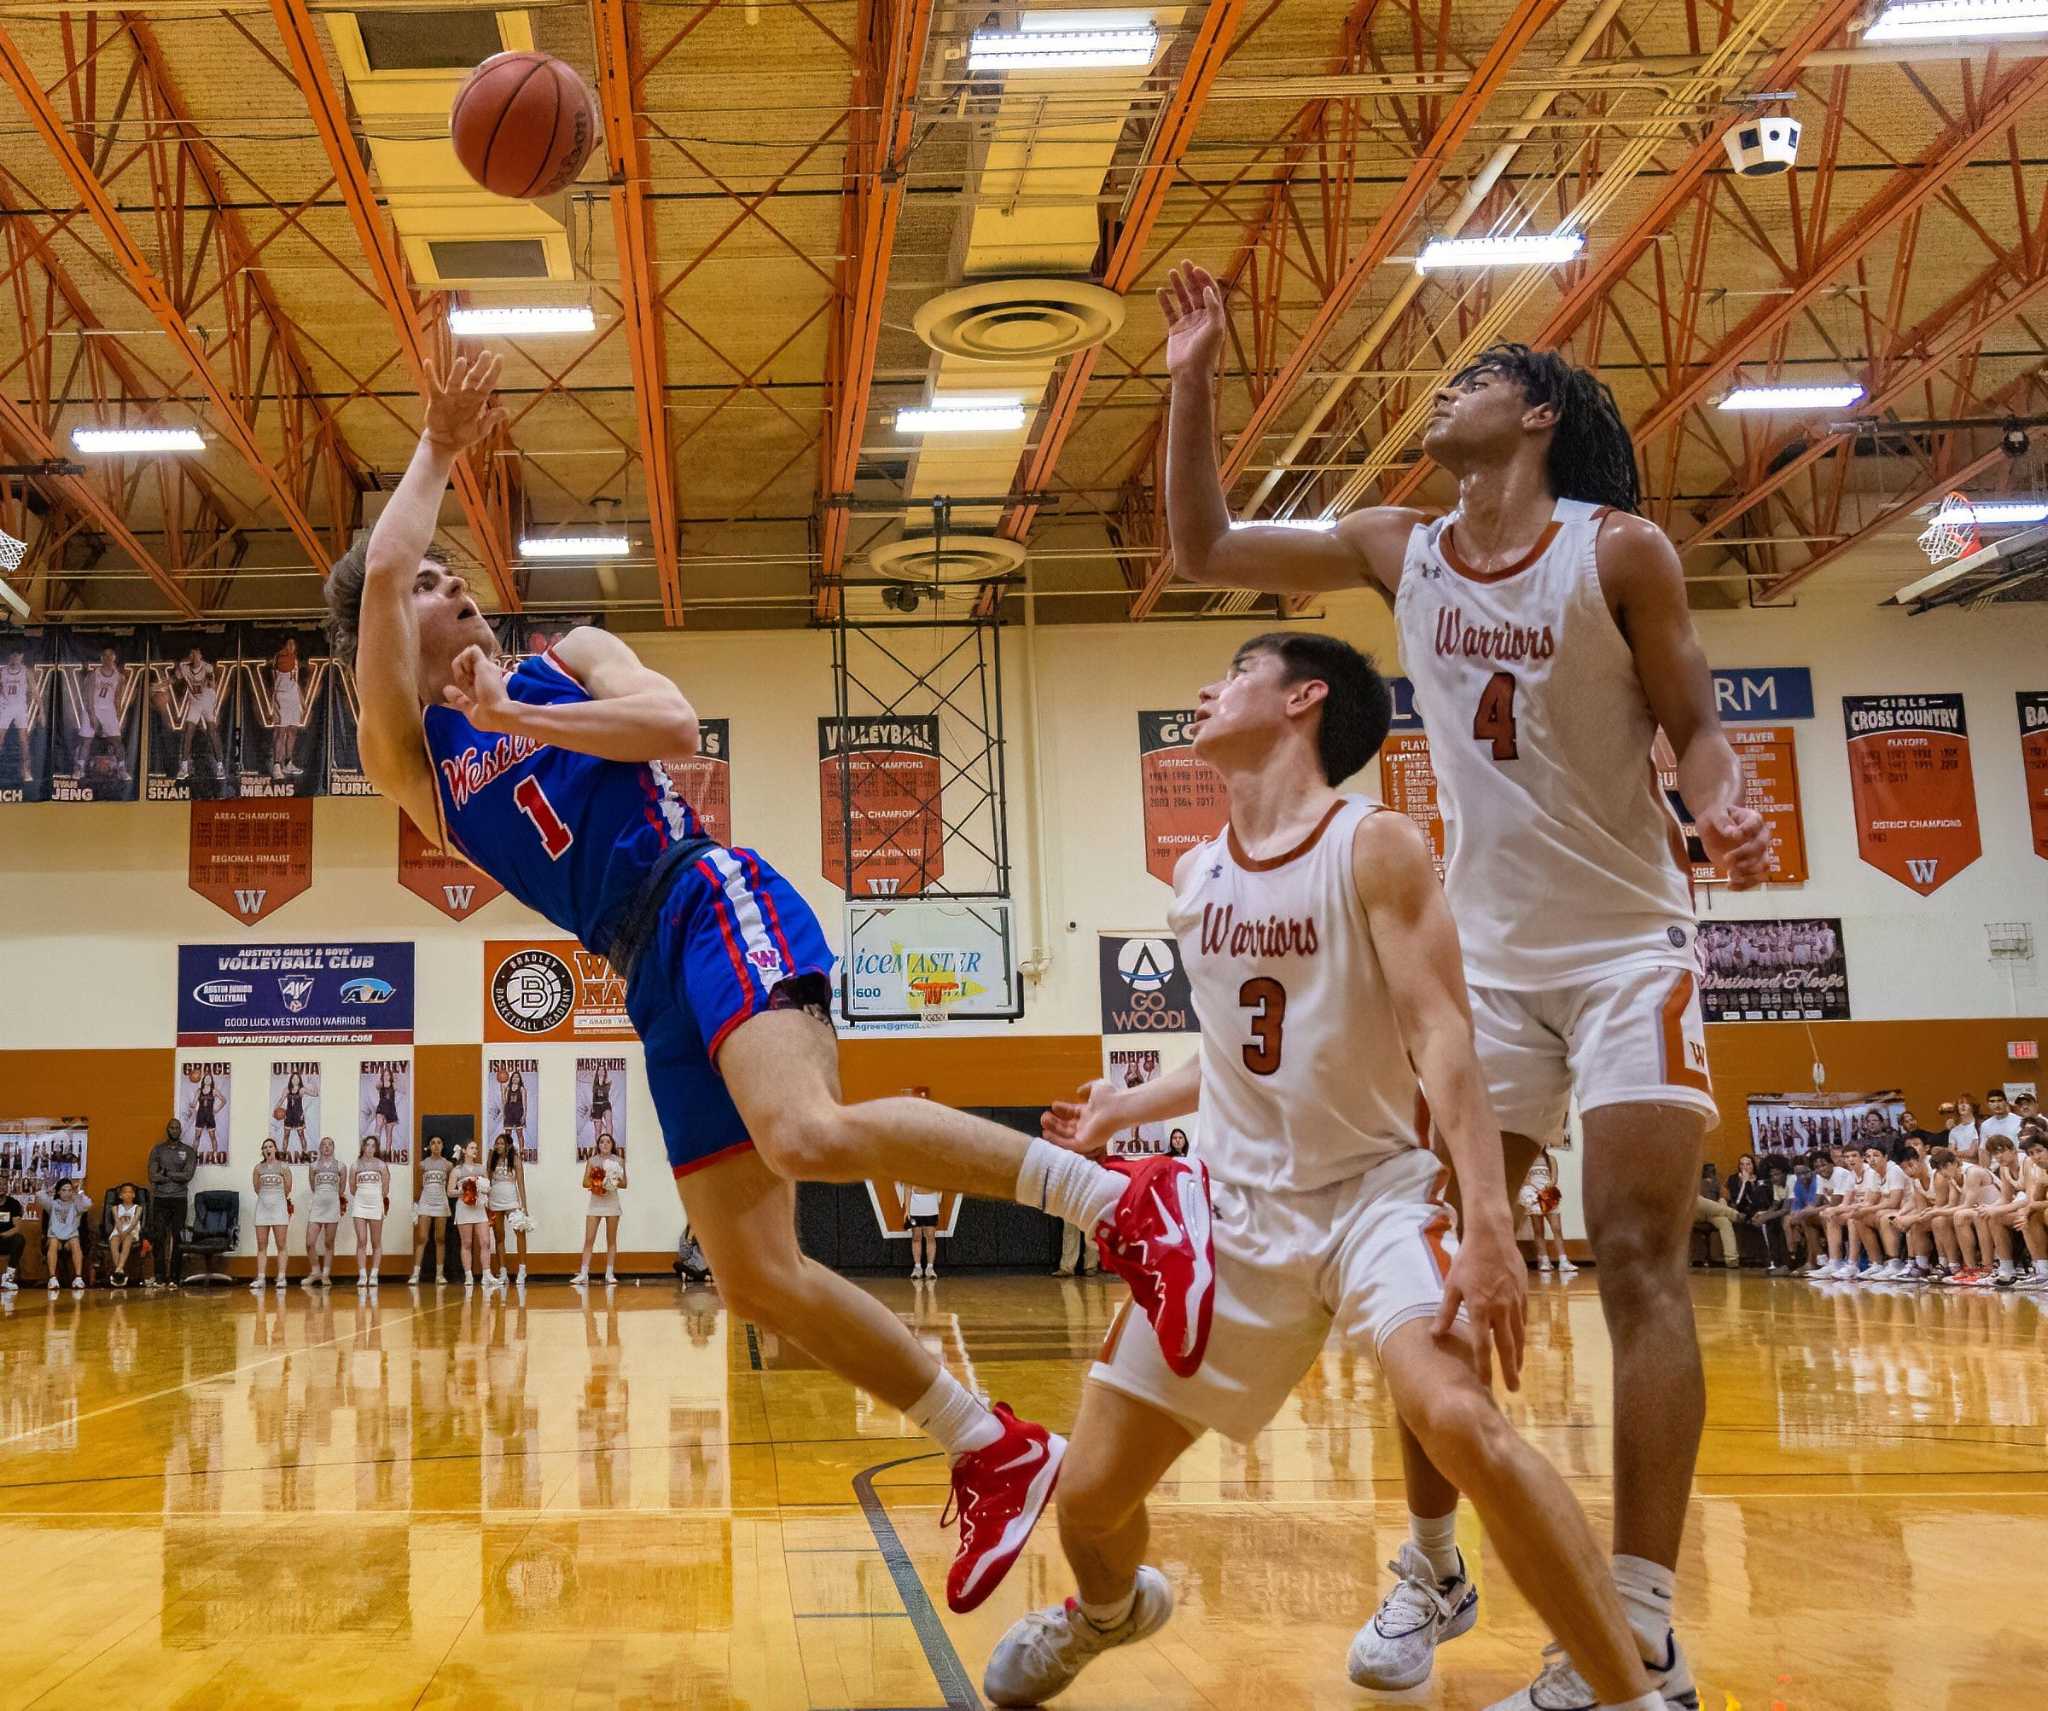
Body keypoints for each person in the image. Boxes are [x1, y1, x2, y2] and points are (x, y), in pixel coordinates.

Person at [325, 351, 1216, 1612]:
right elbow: (370, 578)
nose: (446, 578)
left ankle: (1120, 1198)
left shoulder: (561, 655)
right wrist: (426, 459)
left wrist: (527, 712)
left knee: (804, 1132)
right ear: (377, 637)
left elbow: (675, 730)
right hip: (641, 970)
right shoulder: (409, 757)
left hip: (705, 894)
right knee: (752, 1277)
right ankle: (993, 1446)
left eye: (448, 566)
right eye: (424, 582)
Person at [1160, 260, 1769, 1706]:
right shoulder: (1398, 542)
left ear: (1541, 413)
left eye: (1475, 376)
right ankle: (1431, 1563)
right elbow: (1202, 545)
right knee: (1429, 1264)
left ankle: (1638, 1626)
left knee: (1638, 1257)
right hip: (1480, 969)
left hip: (1627, 945)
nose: (1445, 392)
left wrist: (1723, 799)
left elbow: (1698, 723)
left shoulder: (1619, 551)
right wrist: (1192, 373)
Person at [986, 634, 1670, 1711]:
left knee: (1458, 1417)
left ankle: (1633, 1694)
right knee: (1088, 1499)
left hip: (1370, 1199)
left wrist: (1487, 1218)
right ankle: (1107, 1612)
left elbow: (1443, 1033)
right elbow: (1235, 1051)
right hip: (1230, 1219)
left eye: (1236, 672)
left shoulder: (1375, 845)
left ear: (1301, 699)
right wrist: (1128, 1101)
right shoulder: (1197, 872)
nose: (1207, 689)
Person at [146, 1117, 197, 1288]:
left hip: (179, 1199)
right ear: (167, 1129)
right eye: (171, 1127)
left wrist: (166, 1172)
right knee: (159, 1237)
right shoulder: (158, 1150)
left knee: (178, 1237)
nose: (174, 1130)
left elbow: (187, 1176)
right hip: (160, 1199)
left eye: (177, 1127)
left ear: (180, 1130)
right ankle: (159, 1276)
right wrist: (175, 1174)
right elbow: (153, 1176)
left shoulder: (188, 1151)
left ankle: (175, 1277)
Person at [573, 1133, 628, 1287]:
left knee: (611, 1240)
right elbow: (584, 1182)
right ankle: (583, 1274)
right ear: (598, 1144)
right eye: (602, 1142)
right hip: (595, 1204)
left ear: (612, 1144)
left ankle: (609, 1273)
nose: (605, 1144)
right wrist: (598, 1181)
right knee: (589, 1239)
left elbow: (624, 1184)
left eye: (608, 1141)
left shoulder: (619, 1161)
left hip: (612, 1204)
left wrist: (612, 1181)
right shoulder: (592, 1160)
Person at [1518, 1149, 1574, 1277]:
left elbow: (1553, 1178)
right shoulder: (1528, 1158)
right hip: (1534, 1196)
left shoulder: (1551, 1159)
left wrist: (1547, 1188)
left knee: (1557, 1228)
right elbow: (1525, 1179)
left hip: (1548, 1196)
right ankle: (1544, 1260)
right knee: (1538, 1230)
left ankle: (1563, 1261)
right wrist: (1536, 1191)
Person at [485, 1132, 529, 1289]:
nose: (498, 1146)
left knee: (520, 1232)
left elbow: (521, 1184)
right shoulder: (492, 1158)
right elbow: (487, 1180)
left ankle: (522, 1270)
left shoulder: (515, 1159)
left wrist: (524, 1206)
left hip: (511, 1200)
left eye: (501, 1143)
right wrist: (486, 1202)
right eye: (497, 1143)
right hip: (495, 1201)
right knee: (499, 1236)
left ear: (508, 1145)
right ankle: (503, 1271)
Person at [250, 1138, 293, 1291]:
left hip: (279, 1209)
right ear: (263, 1151)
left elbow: (288, 1188)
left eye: (270, 1146)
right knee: (262, 1245)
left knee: (281, 1244)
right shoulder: (258, 1168)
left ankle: (281, 1277)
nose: (268, 1149)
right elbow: (256, 1188)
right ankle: (261, 1277)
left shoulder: (284, 1167)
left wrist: (276, 1199)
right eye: (265, 1147)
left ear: (275, 1149)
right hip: (262, 1209)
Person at [410, 1133, 453, 1286]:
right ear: (429, 1146)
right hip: (425, 1203)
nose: (436, 1145)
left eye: (439, 1142)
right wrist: (415, 1207)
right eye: (433, 1142)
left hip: (441, 1203)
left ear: (442, 1146)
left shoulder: (448, 1165)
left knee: (440, 1239)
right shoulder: (423, 1164)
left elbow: (451, 1185)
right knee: (422, 1238)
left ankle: (439, 1275)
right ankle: (415, 1274)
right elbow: (418, 1187)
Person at [349, 1135, 390, 1290]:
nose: (370, 1148)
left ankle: (374, 1274)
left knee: (376, 1241)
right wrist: (363, 1195)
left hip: (376, 1204)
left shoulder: (381, 1165)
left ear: (376, 1148)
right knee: (361, 1240)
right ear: (363, 1147)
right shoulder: (355, 1165)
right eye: (368, 1145)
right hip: (360, 1204)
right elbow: (352, 1189)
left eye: (373, 1146)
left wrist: (377, 1198)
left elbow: (385, 1188)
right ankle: (362, 1275)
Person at [452, 1138, 492, 1290]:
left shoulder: (481, 1168)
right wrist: (464, 1191)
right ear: (464, 1150)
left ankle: (486, 1274)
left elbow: (488, 1188)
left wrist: (482, 1188)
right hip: (464, 1208)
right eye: (472, 1147)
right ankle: (468, 1274)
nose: (475, 1150)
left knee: (485, 1241)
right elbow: (450, 1191)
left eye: (476, 1148)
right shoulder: (457, 1170)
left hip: (479, 1208)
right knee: (467, 1243)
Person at [305, 1136, 345, 1287]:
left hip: (332, 1207)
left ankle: (326, 1275)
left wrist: (333, 1199)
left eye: (329, 1144)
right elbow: (313, 1187)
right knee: (309, 1242)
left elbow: (341, 1189)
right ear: (320, 1148)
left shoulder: (341, 1166)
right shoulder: (313, 1166)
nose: (327, 1147)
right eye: (323, 1144)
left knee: (329, 1242)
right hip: (317, 1207)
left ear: (333, 1148)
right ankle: (315, 1271)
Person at [40, 1178, 92, 1291]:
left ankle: (78, 1278)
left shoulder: (76, 1204)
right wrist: (51, 1189)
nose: (67, 1193)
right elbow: (40, 1197)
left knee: (75, 1242)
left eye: (69, 1190)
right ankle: (52, 1278)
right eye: (64, 1190)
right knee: (53, 1242)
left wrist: (79, 1193)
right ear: (58, 1191)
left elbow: (87, 1204)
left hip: (71, 1237)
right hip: (55, 1236)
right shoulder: (52, 1204)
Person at [1723, 1153, 1773, 1268]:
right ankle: (1760, 1257)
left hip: (1761, 1208)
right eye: (1742, 1164)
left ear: (1753, 1165)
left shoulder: (1760, 1178)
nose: (1745, 1167)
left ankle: (1769, 1257)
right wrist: (1744, 1183)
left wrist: (1751, 1183)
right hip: (1744, 1210)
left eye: (1748, 1164)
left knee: (1763, 1217)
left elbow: (1764, 1198)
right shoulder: (1734, 1179)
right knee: (1751, 1219)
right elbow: (1737, 1202)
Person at [903, 1185, 943, 1280]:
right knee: (916, 1237)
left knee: (930, 1236)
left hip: (931, 1204)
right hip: (915, 1205)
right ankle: (917, 1268)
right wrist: (907, 1209)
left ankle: (930, 1268)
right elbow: (907, 1188)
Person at [275, 1072, 310, 1163]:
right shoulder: (287, 1089)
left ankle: (305, 1154)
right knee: (286, 1135)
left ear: (299, 1080)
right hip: (289, 1115)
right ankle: (283, 1153)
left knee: (301, 1135)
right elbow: (281, 1100)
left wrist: (315, 1088)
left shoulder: (302, 1089)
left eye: (297, 1078)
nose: (295, 1080)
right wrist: (275, 1109)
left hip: (298, 1115)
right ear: (291, 1079)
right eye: (293, 1078)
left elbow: (315, 1093)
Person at [374, 1068, 402, 1155]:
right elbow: (376, 1086)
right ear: (383, 1076)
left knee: (389, 1134)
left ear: (390, 1076)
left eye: (388, 1075)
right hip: (381, 1109)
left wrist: (395, 1079)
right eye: (385, 1075)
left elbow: (400, 1089)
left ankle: (388, 1153)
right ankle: (376, 1151)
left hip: (391, 1111)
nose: (386, 1076)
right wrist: (381, 1081)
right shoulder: (380, 1084)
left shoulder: (394, 1085)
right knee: (378, 1128)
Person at [0, 1190, 24, 1291]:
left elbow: (17, 1228)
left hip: (5, 1239)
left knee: (19, 1239)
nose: (1, 1186)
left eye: (4, 1184)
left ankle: (8, 1279)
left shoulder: (13, 1203)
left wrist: (2, 1235)